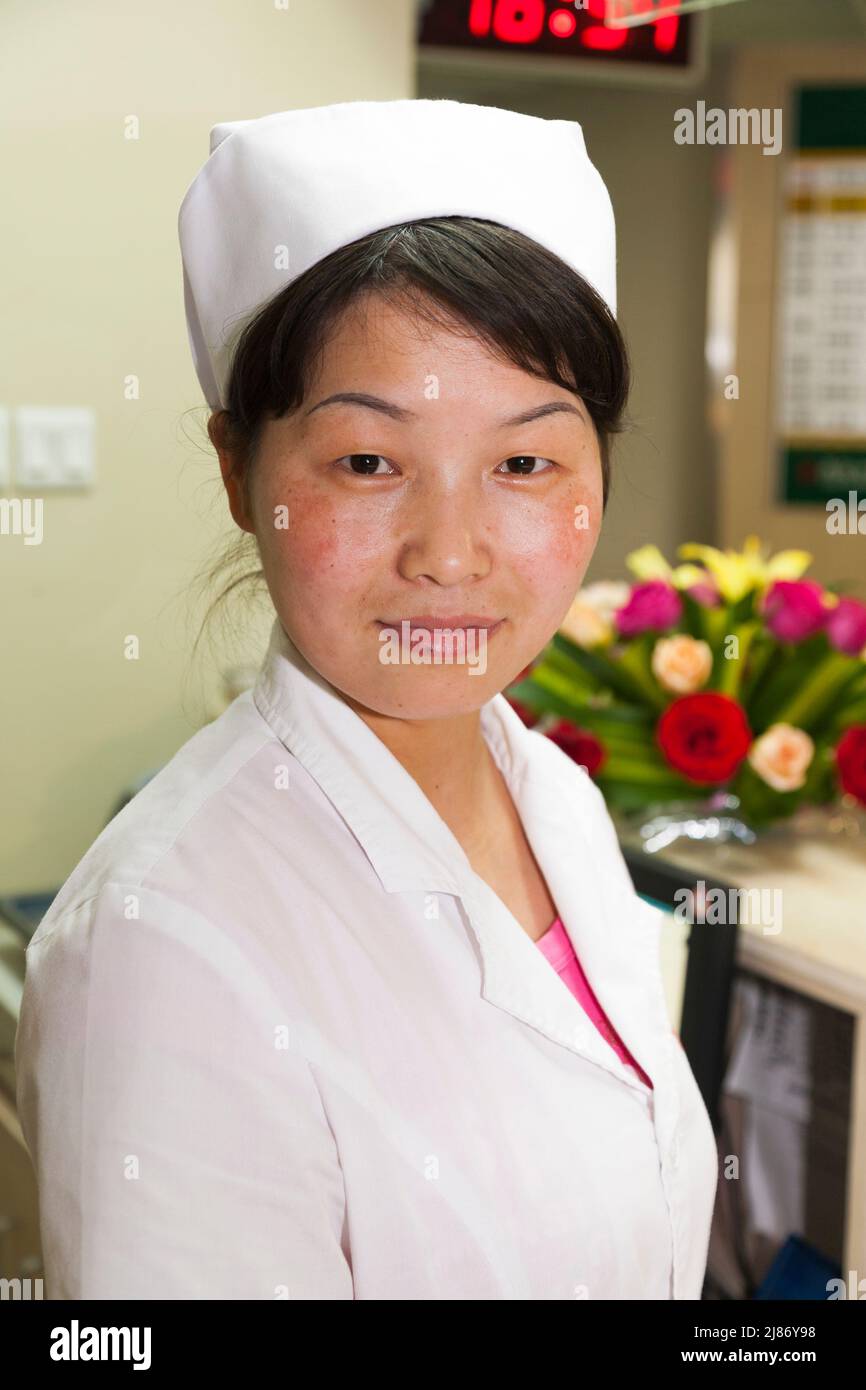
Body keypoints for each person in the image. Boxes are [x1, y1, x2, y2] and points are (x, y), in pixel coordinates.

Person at [15, 98, 718, 1300]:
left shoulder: (546, 790)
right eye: (366, 462)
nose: (449, 552)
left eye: (522, 463)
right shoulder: (158, 947)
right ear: (240, 471)